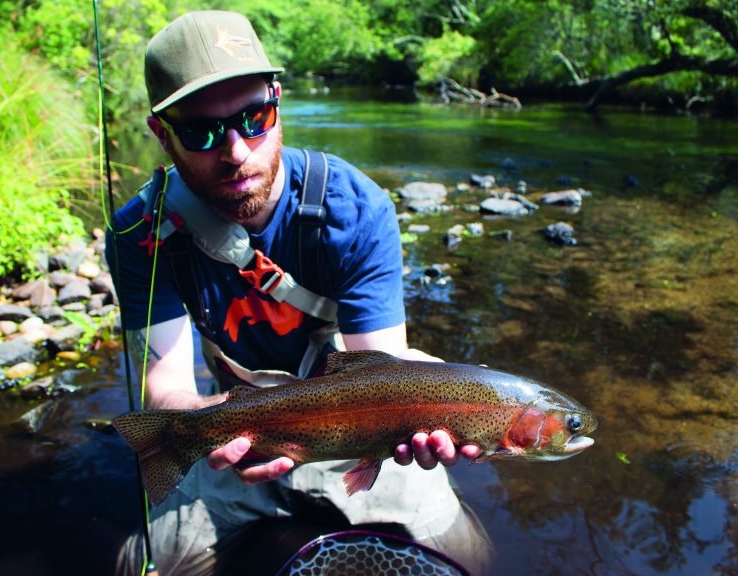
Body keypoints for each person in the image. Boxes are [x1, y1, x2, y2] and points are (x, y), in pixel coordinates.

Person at [107, 10, 492, 576]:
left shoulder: (356, 210)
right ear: (162, 133)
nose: (236, 150)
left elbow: (375, 374)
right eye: (201, 131)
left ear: (277, 100)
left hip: (358, 431)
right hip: (235, 427)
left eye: (254, 117)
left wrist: (432, 390)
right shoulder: (142, 234)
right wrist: (220, 434)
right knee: (142, 564)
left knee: (467, 559)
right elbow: (166, 393)